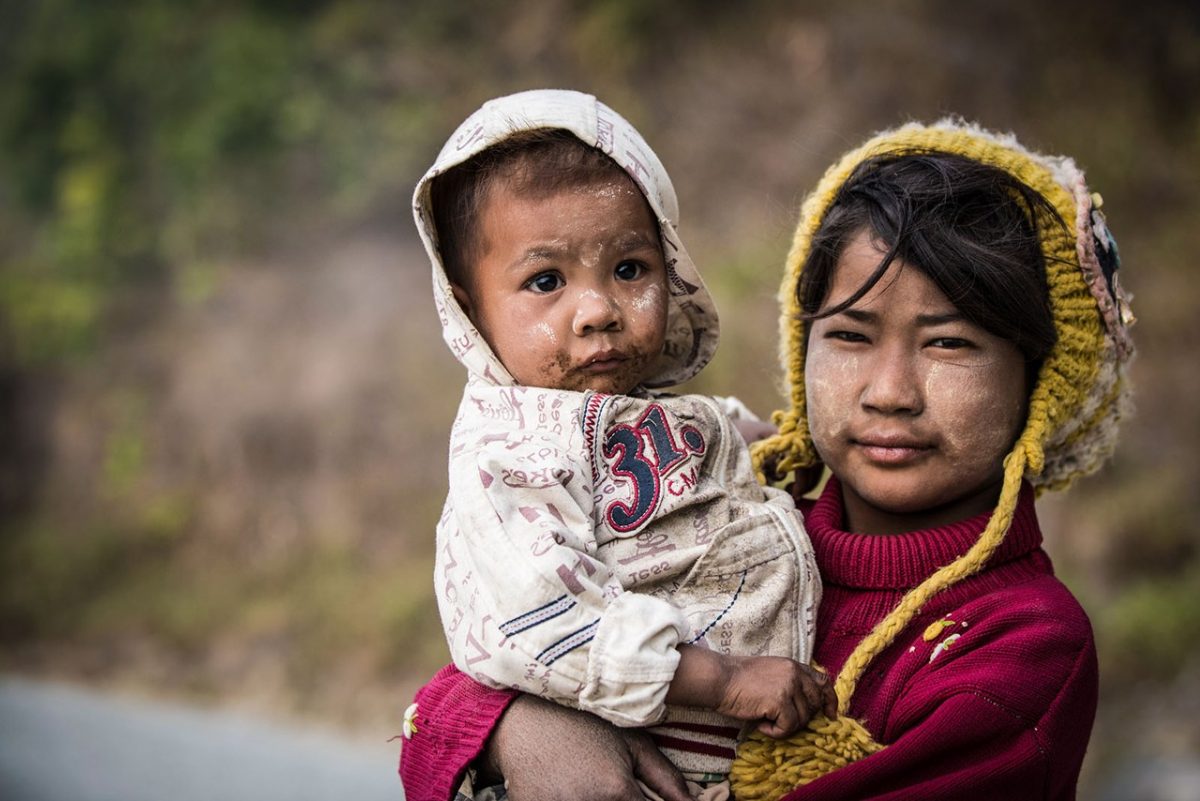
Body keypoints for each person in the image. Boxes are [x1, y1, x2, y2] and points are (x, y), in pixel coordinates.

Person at [398, 118, 1135, 801]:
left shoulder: (1021, 650)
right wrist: (508, 726)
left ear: (1038, 379)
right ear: (800, 341)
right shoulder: (726, 514)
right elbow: (519, 623)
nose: (890, 392)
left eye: (948, 342)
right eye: (850, 335)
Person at [409, 89, 832, 795]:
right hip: (645, 761)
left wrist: (757, 438)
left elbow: (682, 442)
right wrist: (726, 683)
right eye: (546, 281)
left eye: (629, 269)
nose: (599, 309)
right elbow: (549, 623)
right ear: (471, 307)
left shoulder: (618, 409)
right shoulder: (510, 457)